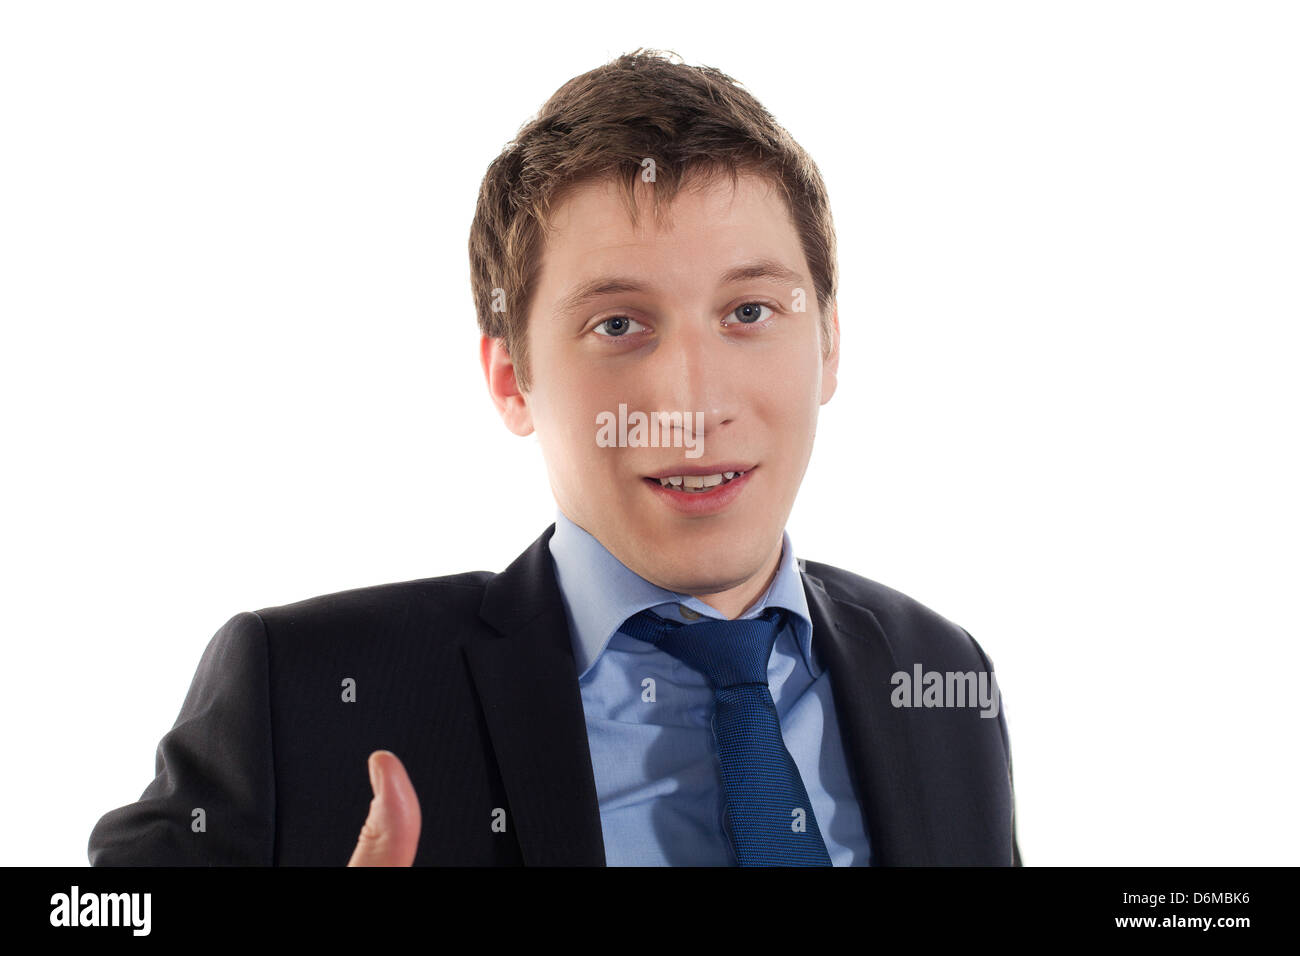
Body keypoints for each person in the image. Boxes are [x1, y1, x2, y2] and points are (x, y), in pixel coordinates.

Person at [89, 48, 1020, 867]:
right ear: (511, 380)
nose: (693, 406)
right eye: (618, 324)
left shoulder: (940, 673)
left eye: (750, 312)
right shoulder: (301, 692)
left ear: (828, 347)